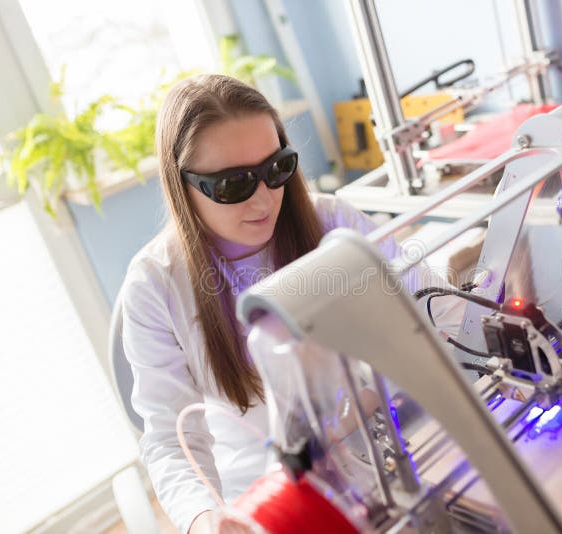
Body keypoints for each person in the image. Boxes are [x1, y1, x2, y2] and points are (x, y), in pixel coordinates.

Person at [119, 74, 462, 533]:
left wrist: (358, 406)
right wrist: (208, 521)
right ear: (182, 186)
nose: (264, 198)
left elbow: (439, 309)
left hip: (382, 448)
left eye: (276, 168)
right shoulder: (155, 284)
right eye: (233, 185)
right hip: (265, 495)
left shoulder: (333, 222)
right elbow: (170, 441)